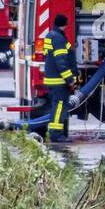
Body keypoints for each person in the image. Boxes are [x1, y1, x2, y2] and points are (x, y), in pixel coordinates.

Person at [42, 12, 75, 142]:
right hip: (59, 81)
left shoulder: (50, 36)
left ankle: (56, 133)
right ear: (64, 24)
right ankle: (56, 134)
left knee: (56, 106)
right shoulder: (59, 38)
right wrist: (70, 80)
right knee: (59, 107)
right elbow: (61, 62)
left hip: (52, 80)